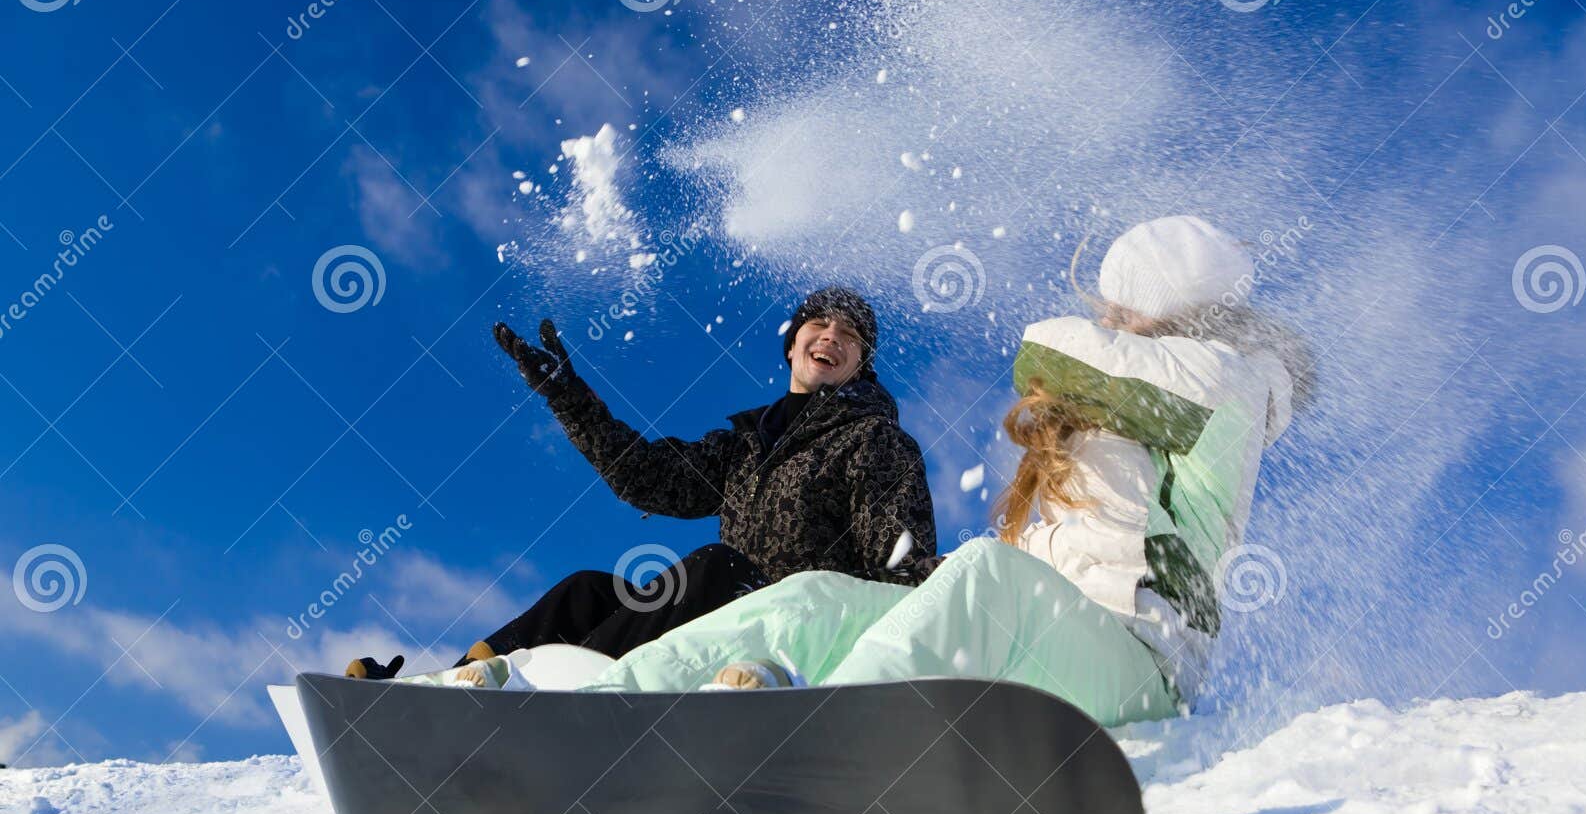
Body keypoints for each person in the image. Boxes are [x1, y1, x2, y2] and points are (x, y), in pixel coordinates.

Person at [576, 216, 1314, 725]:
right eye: (1111, 311)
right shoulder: (1111, 415)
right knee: (812, 599)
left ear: (1185, 316)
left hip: (1140, 668)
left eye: (1127, 311)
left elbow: (1049, 351)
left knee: (982, 573)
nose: (1109, 324)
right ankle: (607, 710)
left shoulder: (1236, 393)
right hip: (1050, 657)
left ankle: (814, 747)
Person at [344, 286, 938, 681]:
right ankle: (455, 683)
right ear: (792, 347)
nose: (831, 335)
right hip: (724, 609)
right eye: (819, 322)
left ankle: (572, 691)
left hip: (796, 629)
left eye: (850, 334)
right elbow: (647, 477)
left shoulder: (875, 441)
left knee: (717, 565)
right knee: (585, 591)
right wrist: (568, 398)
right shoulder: (747, 445)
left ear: (862, 362)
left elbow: (899, 556)